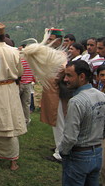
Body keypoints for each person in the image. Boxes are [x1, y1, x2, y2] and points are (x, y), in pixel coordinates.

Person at [58, 60, 105, 186]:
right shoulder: (101, 95)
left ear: (82, 77)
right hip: (97, 153)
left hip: (79, 155)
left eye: (69, 75)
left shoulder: (76, 102)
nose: (65, 79)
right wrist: (96, 139)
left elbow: (70, 137)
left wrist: (63, 151)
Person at [0, 22, 27, 171]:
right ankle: (12, 161)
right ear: (3, 35)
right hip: (10, 89)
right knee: (11, 121)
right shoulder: (14, 51)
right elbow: (20, 71)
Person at [40, 28, 71, 163]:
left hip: (56, 92)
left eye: (51, 40)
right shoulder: (55, 53)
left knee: (58, 121)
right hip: (51, 90)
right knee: (56, 122)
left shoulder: (61, 55)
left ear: (58, 40)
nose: (49, 42)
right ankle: (60, 147)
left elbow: (61, 71)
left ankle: (60, 152)